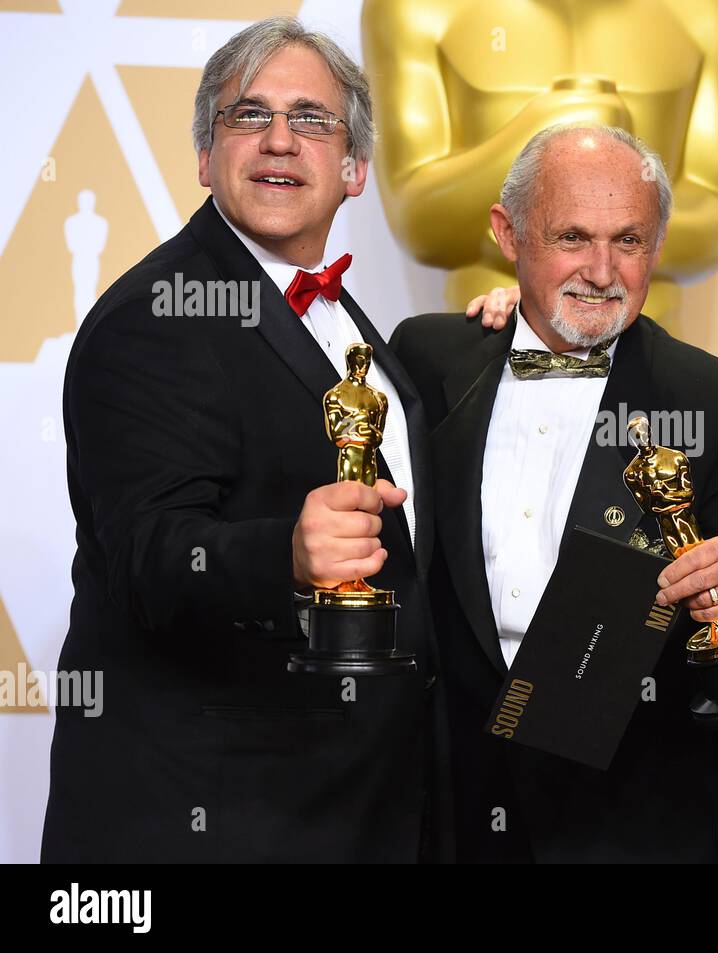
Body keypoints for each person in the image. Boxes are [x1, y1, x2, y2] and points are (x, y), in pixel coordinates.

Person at [43, 16, 450, 862]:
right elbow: (148, 557)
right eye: (247, 115)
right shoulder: (153, 317)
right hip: (214, 821)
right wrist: (288, 556)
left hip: (359, 808)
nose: (277, 138)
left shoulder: (353, 328)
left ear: (355, 169)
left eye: (311, 119)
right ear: (204, 157)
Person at [390, 124, 718, 862]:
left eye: (629, 240)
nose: (602, 270)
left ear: (659, 245)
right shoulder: (427, 358)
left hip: (631, 830)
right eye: (572, 236)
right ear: (507, 233)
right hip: (448, 824)